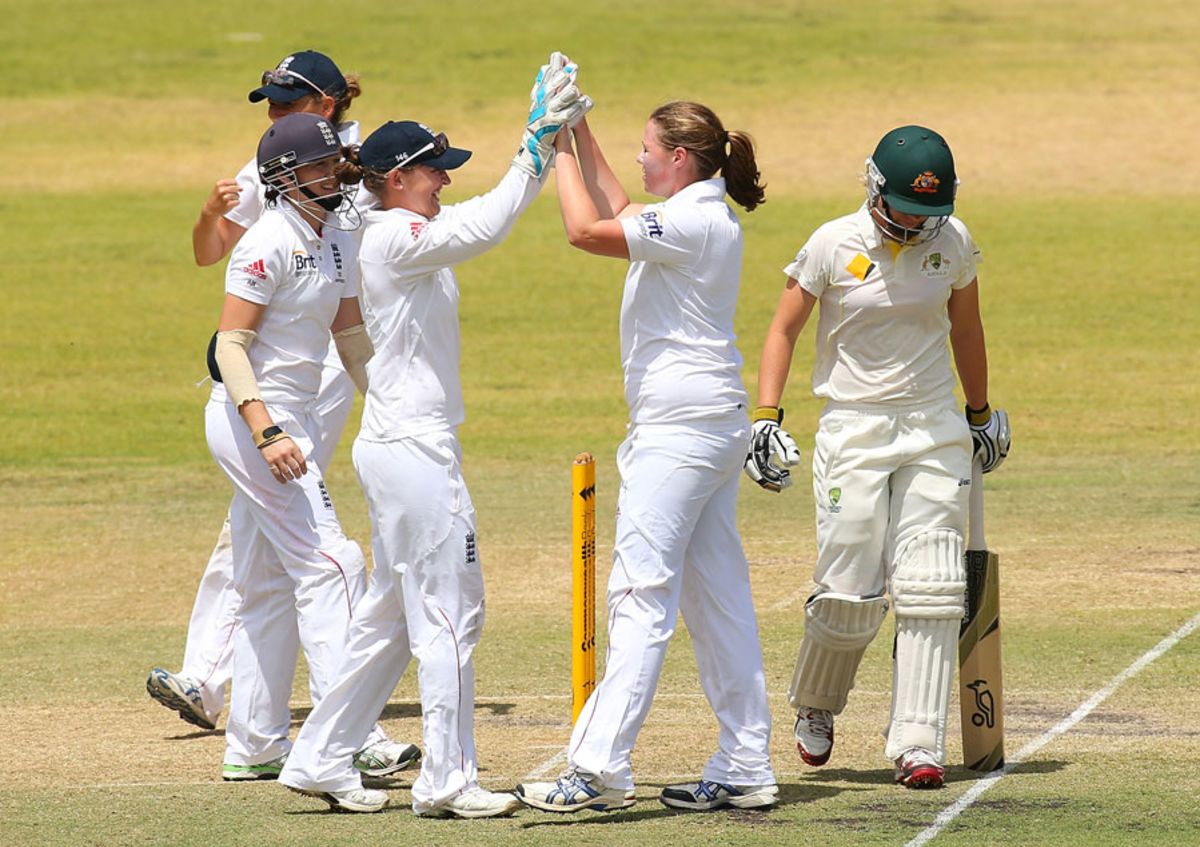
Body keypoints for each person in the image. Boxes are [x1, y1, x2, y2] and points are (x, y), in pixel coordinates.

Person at [278, 56, 591, 816]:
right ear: (395, 179)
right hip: (413, 450)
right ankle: (447, 779)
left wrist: (537, 144)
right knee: (454, 609)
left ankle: (319, 754)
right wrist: (537, 142)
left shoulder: (397, 230)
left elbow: (472, 216)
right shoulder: (392, 238)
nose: (444, 179)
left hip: (404, 444)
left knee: (390, 615)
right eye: (432, 171)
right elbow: (489, 221)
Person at [147, 51, 412, 777]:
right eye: (326, 174)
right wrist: (266, 430)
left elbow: (352, 337)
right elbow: (229, 347)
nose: (340, 182)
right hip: (254, 417)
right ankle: (348, 733)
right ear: (291, 176)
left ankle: (256, 742)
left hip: (294, 405)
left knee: (267, 578)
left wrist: (398, 403)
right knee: (333, 562)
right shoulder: (268, 239)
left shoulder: (328, 234)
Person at [515, 101, 778, 814]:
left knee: (640, 596)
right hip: (707, 426)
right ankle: (747, 761)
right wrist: (577, 129)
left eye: (646, 148)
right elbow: (623, 206)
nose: (638, 158)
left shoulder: (693, 220)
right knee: (717, 597)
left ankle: (597, 768)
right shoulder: (696, 212)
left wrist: (552, 148)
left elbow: (584, 228)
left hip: (679, 434)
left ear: (680, 158)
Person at [743, 125, 1011, 789]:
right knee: (850, 589)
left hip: (933, 426)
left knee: (932, 588)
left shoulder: (953, 242)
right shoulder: (832, 243)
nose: (918, 226)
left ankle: (917, 740)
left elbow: (967, 327)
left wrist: (980, 415)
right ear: (875, 189)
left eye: (930, 214)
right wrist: (765, 418)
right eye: (907, 212)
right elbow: (783, 328)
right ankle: (817, 701)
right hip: (855, 427)